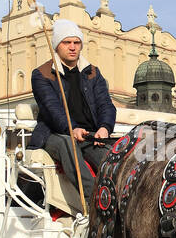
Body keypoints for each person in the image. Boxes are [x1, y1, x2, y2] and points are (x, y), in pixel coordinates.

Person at [27, 18, 117, 205]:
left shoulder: (93, 72)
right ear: (57, 46)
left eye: (76, 42)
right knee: (68, 145)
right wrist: (71, 128)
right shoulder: (42, 74)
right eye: (66, 42)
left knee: (111, 157)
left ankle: (120, 198)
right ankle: (94, 200)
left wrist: (104, 128)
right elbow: (52, 109)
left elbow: (106, 104)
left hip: (88, 134)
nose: (72, 47)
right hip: (55, 133)